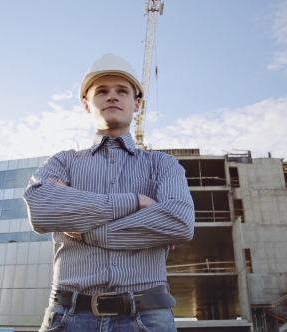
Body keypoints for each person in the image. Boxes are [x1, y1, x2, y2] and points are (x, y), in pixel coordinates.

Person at [23, 53, 195, 332]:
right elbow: (41, 209)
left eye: (122, 91)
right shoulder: (63, 161)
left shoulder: (163, 164)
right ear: (86, 104)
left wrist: (83, 229)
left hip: (147, 317)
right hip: (68, 316)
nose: (112, 97)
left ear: (137, 103)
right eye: (101, 91)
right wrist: (135, 202)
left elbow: (179, 223)